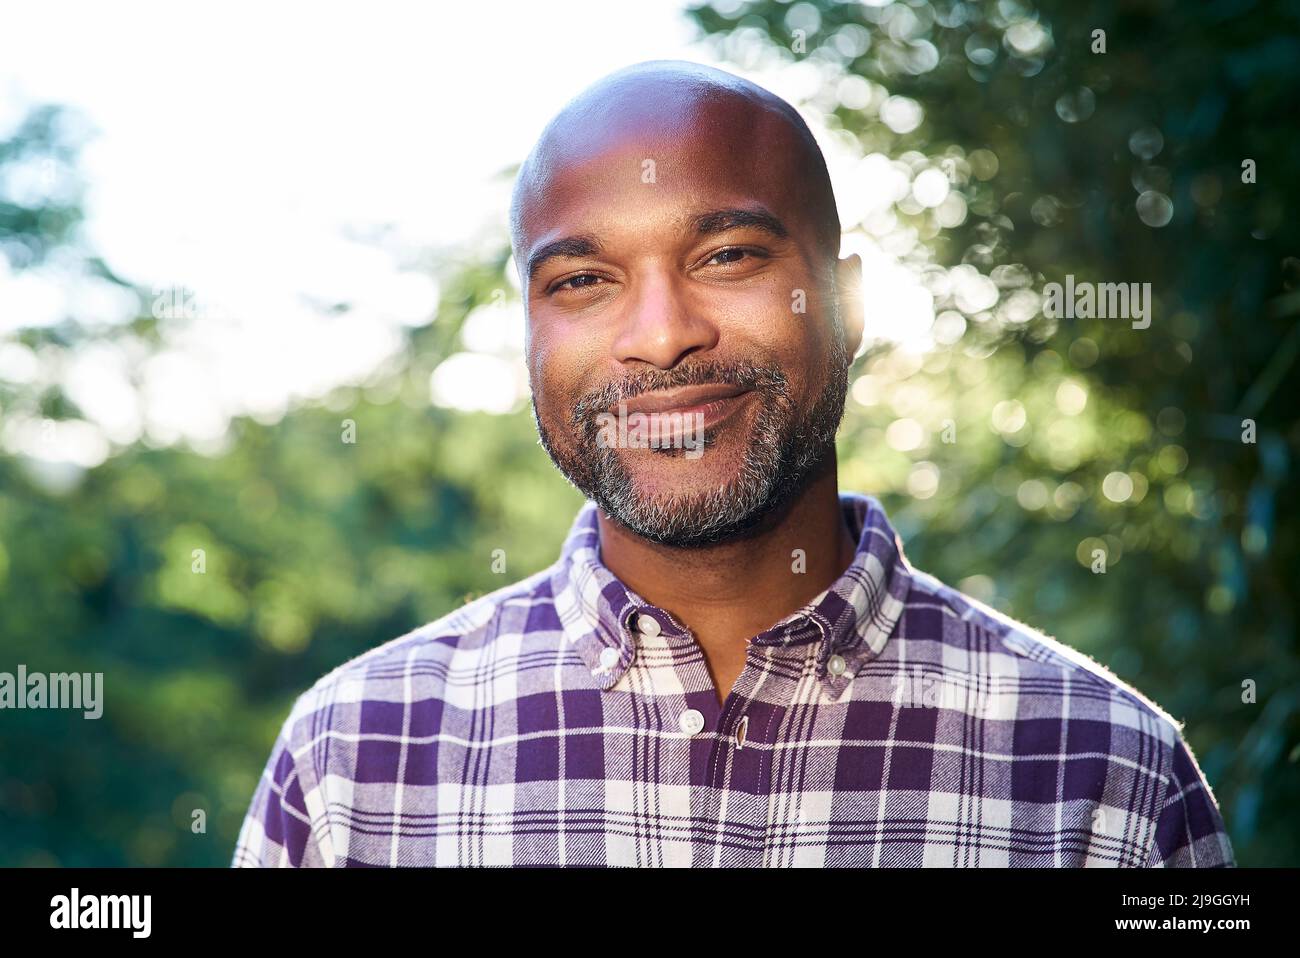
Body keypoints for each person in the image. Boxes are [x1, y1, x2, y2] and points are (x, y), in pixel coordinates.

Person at [233, 61, 1234, 867]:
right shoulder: (355, 761)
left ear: (846, 304)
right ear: (528, 332)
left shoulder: (1103, 771)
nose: (661, 337)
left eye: (726, 257)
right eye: (583, 279)